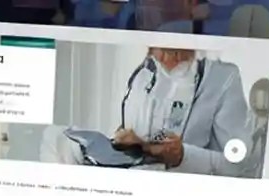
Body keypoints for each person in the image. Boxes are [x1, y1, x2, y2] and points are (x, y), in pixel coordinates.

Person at [109, 47, 257, 176]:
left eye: (174, 51)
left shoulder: (222, 78)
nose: (167, 58)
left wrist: (183, 156)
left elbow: (239, 163)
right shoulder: (143, 73)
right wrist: (128, 142)